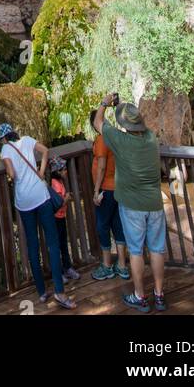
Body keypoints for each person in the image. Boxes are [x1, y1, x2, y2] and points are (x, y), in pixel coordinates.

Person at [93, 94, 166, 312]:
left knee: (136, 251)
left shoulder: (120, 140)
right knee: (157, 250)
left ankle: (140, 296)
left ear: (124, 125)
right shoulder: (152, 137)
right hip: (154, 203)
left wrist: (105, 103)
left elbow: (98, 123)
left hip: (132, 206)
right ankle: (159, 296)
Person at [0, 121, 76, 309]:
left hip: (24, 202)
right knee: (52, 243)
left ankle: (41, 292)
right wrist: (41, 171)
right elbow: (45, 150)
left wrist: (7, 164)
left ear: (2, 139)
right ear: (14, 133)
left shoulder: (5, 151)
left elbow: (11, 174)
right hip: (41, 196)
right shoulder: (26, 140)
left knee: (33, 245)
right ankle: (59, 291)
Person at [88, 109, 129, 281]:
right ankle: (122, 265)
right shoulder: (115, 137)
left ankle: (106, 266)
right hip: (118, 188)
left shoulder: (102, 139)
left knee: (102, 226)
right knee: (117, 224)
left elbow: (102, 166)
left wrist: (96, 191)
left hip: (106, 189)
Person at [48, 156, 80, 282]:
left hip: (61, 217)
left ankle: (67, 268)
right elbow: (57, 202)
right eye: (64, 169)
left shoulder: (60, 182)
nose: (66, 171)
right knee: (57, 245)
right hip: (56, 218)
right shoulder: (54, 185)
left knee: (63, 244)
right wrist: (66, 198)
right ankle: (60, 271)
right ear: (58, 172)